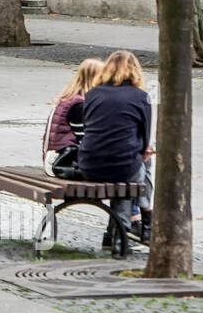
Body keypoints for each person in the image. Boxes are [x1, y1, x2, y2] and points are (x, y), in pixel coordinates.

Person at [78, 50, 154, 246]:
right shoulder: (141, 96)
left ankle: (118, 232)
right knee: (140, 168)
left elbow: (89, 128)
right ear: (135, 70)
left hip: (89, 165)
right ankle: (143, 222)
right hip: (123, 167)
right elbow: (145, 140)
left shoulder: (92, 94)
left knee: (129, 171)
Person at [42, 58, 104, 175]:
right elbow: (83, 140)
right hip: (64, 164)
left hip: (56, 158)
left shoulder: (71, 98)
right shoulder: (79, 105)